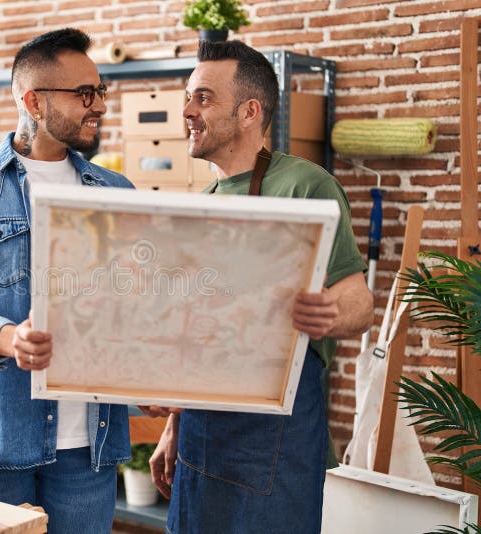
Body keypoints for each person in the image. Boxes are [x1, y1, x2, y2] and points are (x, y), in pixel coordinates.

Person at [146, 40, 374, 533]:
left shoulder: (304, 186)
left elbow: (359, 301)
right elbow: (193, 333)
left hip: (275, 442)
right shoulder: (200, 202)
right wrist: (173, 424)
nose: (186, 110)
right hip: (200, 441)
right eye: (188, 97)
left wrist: (324, 312)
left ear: (250, 111)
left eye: (203, 98)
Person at [0, 28, 133, 533]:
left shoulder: (117, 191)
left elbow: (134, 302)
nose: (98, 106)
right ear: (33, 101)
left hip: (89, 443)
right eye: (84, 94)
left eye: (100, 91)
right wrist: (9, 337)